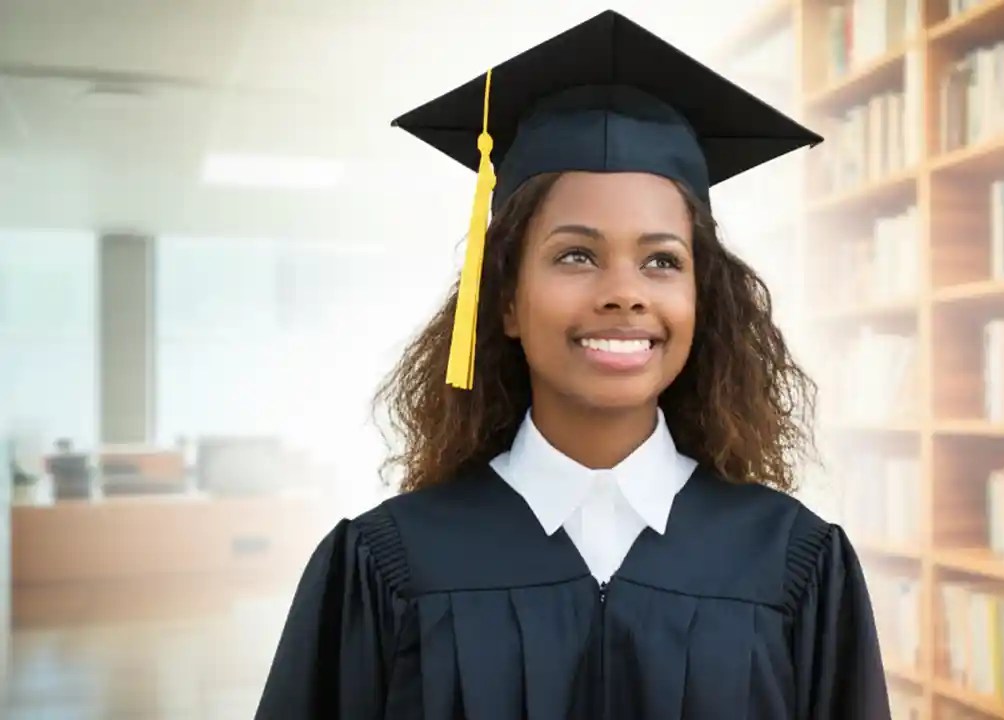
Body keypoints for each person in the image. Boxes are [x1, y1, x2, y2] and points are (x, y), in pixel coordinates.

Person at [254, 9, 889, 719]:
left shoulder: (792, 564)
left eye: (662, 261)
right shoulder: (385, 565)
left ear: (702, 301)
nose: (624, 293)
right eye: (575, 255)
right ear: (506, 303)